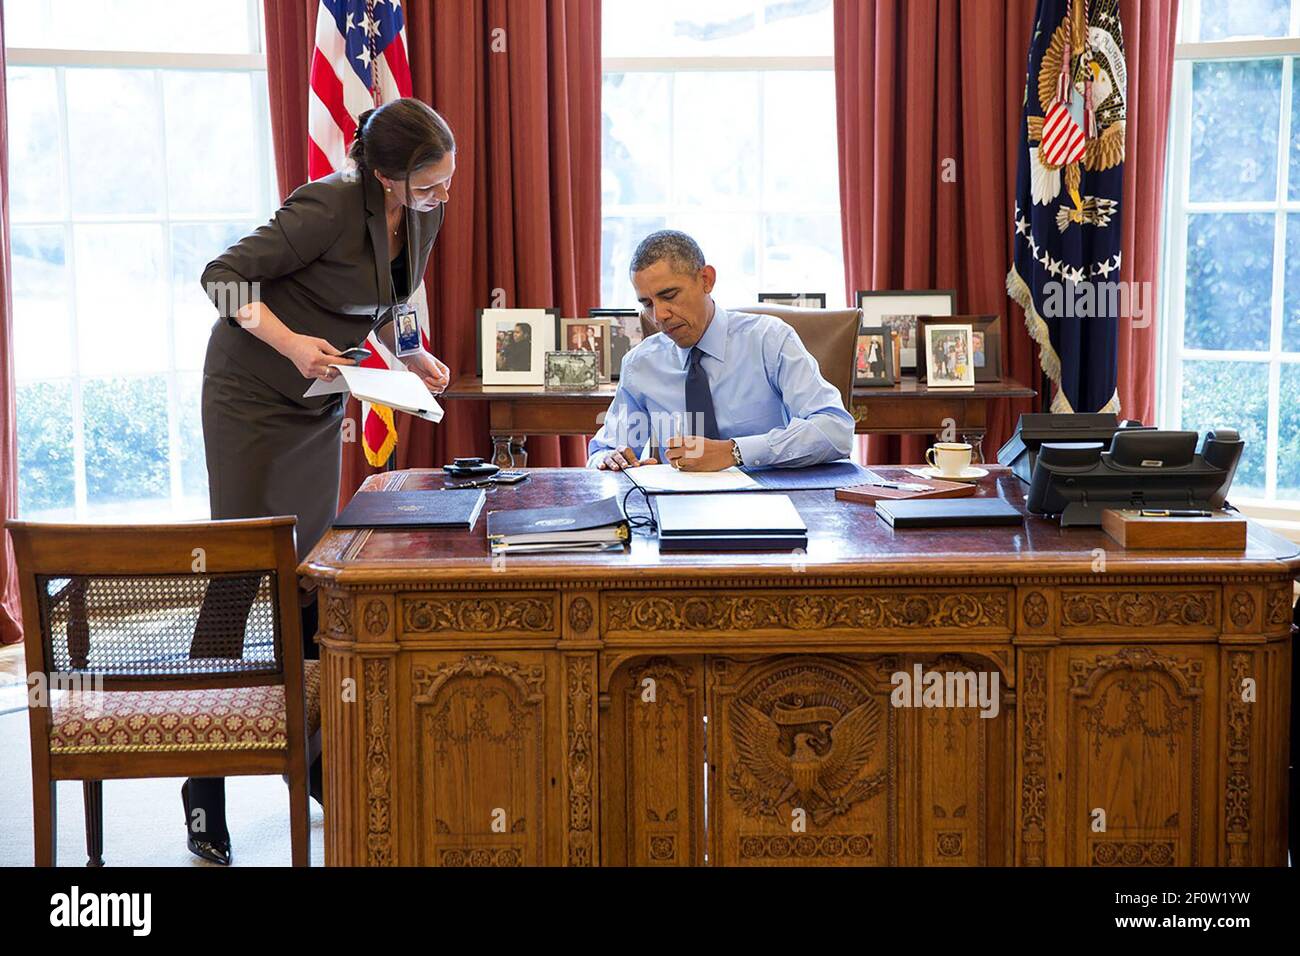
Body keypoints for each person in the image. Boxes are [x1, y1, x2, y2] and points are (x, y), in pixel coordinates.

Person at [191, 97, 455, 865]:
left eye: (447, 179)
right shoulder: (327, 205)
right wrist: (288, 340)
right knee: (241, 575)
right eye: (429, 183)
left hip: (316, 395)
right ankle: (203, 788)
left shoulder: (424, 210)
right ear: (385, 176)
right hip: (251, 393)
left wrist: (409, 353)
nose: (443, 195)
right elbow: (222, 278)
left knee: (309, 575)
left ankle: (313, 764)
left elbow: (390, 297)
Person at [588, 230, 853, 472]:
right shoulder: (640, 364)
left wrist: (734, 452)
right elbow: (604, 450)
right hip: (678, 502)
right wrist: (609, 459)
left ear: (706, 280)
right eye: (647, 303)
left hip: (768, 497)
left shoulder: (769, 340)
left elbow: (835, 429)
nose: (659, 316)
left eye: (669, 296)